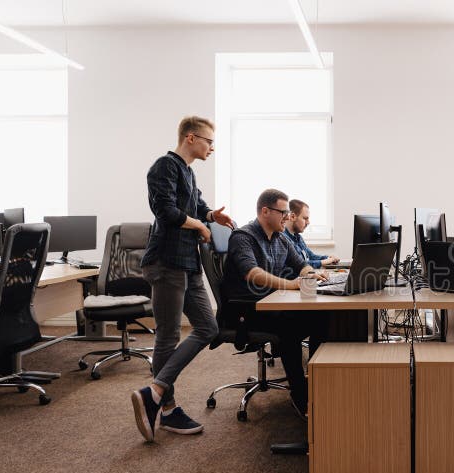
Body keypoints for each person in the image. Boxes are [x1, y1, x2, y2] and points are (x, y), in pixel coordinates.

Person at [132, 116, 234, 443]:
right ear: (190, 138)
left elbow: (196, 206)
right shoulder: (164, 166)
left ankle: (155, 391)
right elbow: (166, 212)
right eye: (208, 141)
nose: (212, 148)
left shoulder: (188, 171)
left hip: (188, 263)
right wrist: (201, 225)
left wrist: (211, 216)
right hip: (166, 262)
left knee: (208, 326)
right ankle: (167, 408)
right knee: (168, 336)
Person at [220, 188, 327, 420]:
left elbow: (301, 265)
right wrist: (292, 285)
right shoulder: (243, 237)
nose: (287, 217)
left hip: (271, 304)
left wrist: (311, 275)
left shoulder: (280, 238)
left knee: (322, 317)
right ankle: (300, 395)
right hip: (245, 310)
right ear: (265, 211)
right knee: (290, 327)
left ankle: (317, 382)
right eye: (283, 212)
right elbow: (253, 274)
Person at [283, 199, 340, 272]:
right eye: (305, 218)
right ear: (292, 217)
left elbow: (311, 256)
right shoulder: (283, 239)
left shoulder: (298, 237)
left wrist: (328, 258)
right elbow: (299, 264)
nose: (308, 222)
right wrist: (324, 262)